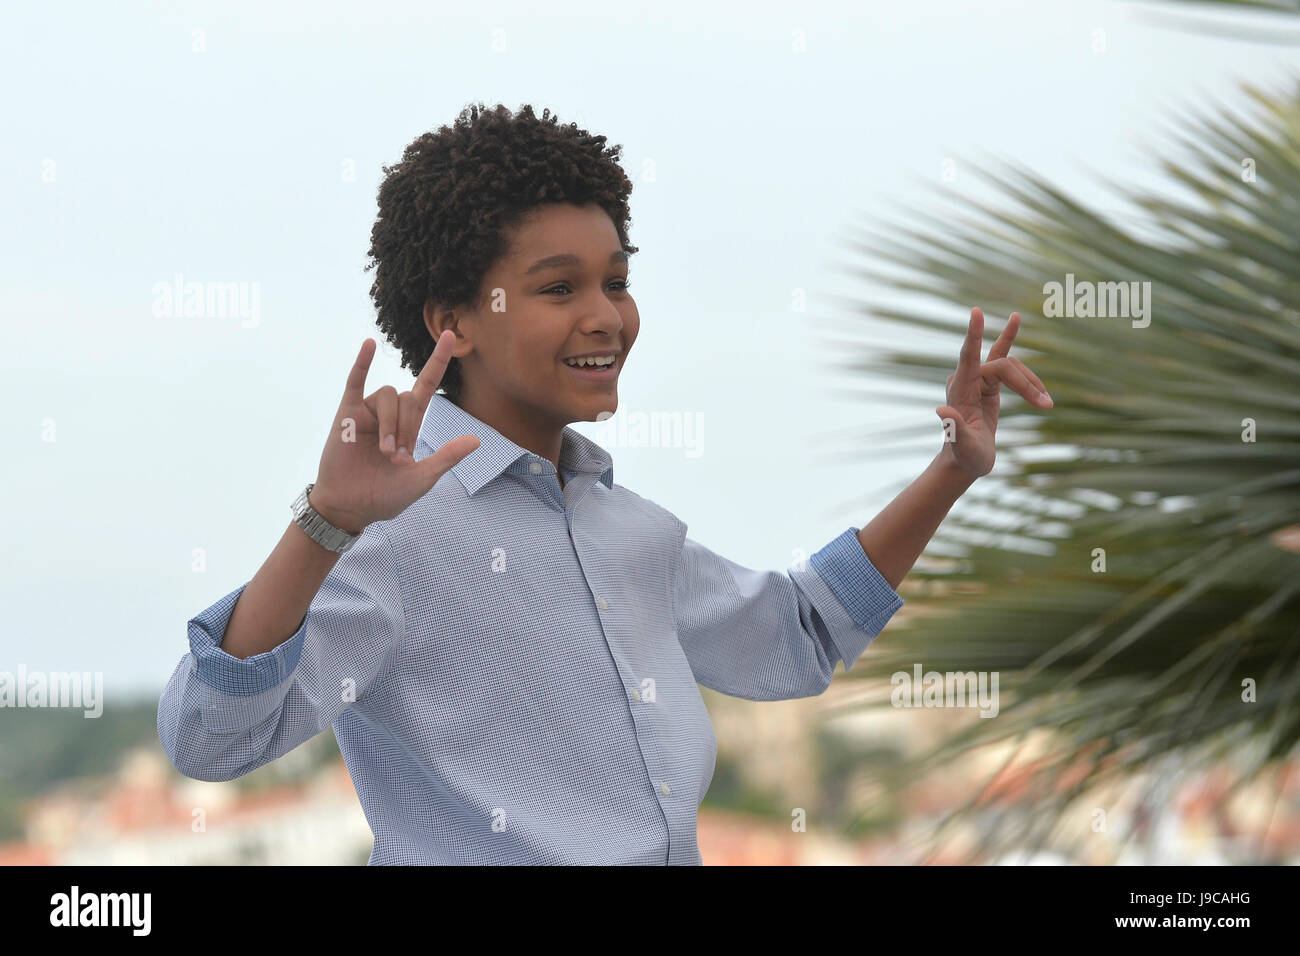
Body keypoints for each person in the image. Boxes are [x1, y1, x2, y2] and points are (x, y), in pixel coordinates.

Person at [157, 102, 1053, 865]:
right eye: (558, 289)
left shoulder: (633, 533)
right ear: (450, 321)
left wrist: (952, 469)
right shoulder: (394, 539)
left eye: (617, 281)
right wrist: (325, 522)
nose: (607, 317)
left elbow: (800, 634)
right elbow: (209, 737)